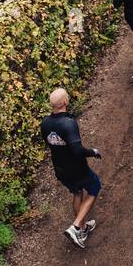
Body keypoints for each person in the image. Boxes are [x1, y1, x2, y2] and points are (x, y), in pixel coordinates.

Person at [39, 88, 102, 250]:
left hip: (60, 169)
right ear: (65, 102)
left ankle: (82, 229)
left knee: (77, 193)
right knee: (94, 187)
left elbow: (50, 144)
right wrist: (93, 152)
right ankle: (75, 227)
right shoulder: (68, 123)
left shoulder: (45, 123)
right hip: (77, 169)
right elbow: (77, 151)